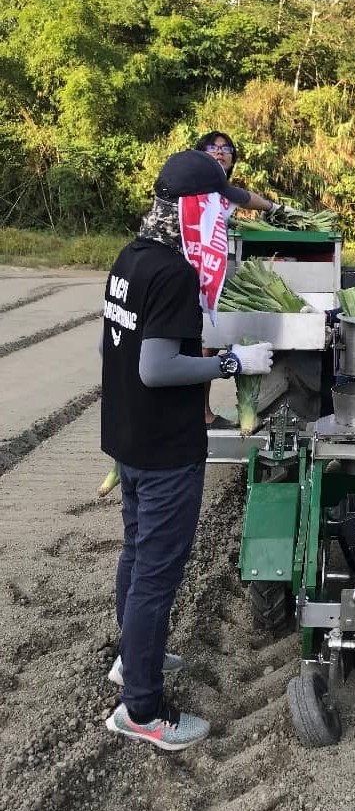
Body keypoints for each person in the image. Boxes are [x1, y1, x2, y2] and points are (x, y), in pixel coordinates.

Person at [102, 148, 275, 751]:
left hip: (125, 435)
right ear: (197, 210)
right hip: (164, 446)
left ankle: (132, 659)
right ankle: (142, 710)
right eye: (219, 208)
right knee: (156, 576)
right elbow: (156, 367)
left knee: (134, 552)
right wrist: (233, 361)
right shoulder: (174, 273)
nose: (224, 220)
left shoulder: (132, 256)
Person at [195, 131, 282, 429]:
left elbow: (244, 199)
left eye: (226, 149)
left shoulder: (222, 191)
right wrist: (274, 210)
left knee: (206, 343)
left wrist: (274, 211)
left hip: (212, 275)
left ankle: (202, 412)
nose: (220, 152)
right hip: (190, 274)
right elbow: (243, 199)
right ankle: (200, 414)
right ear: (199, 154)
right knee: (202, 344)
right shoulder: (195, 185)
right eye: (212, 147)